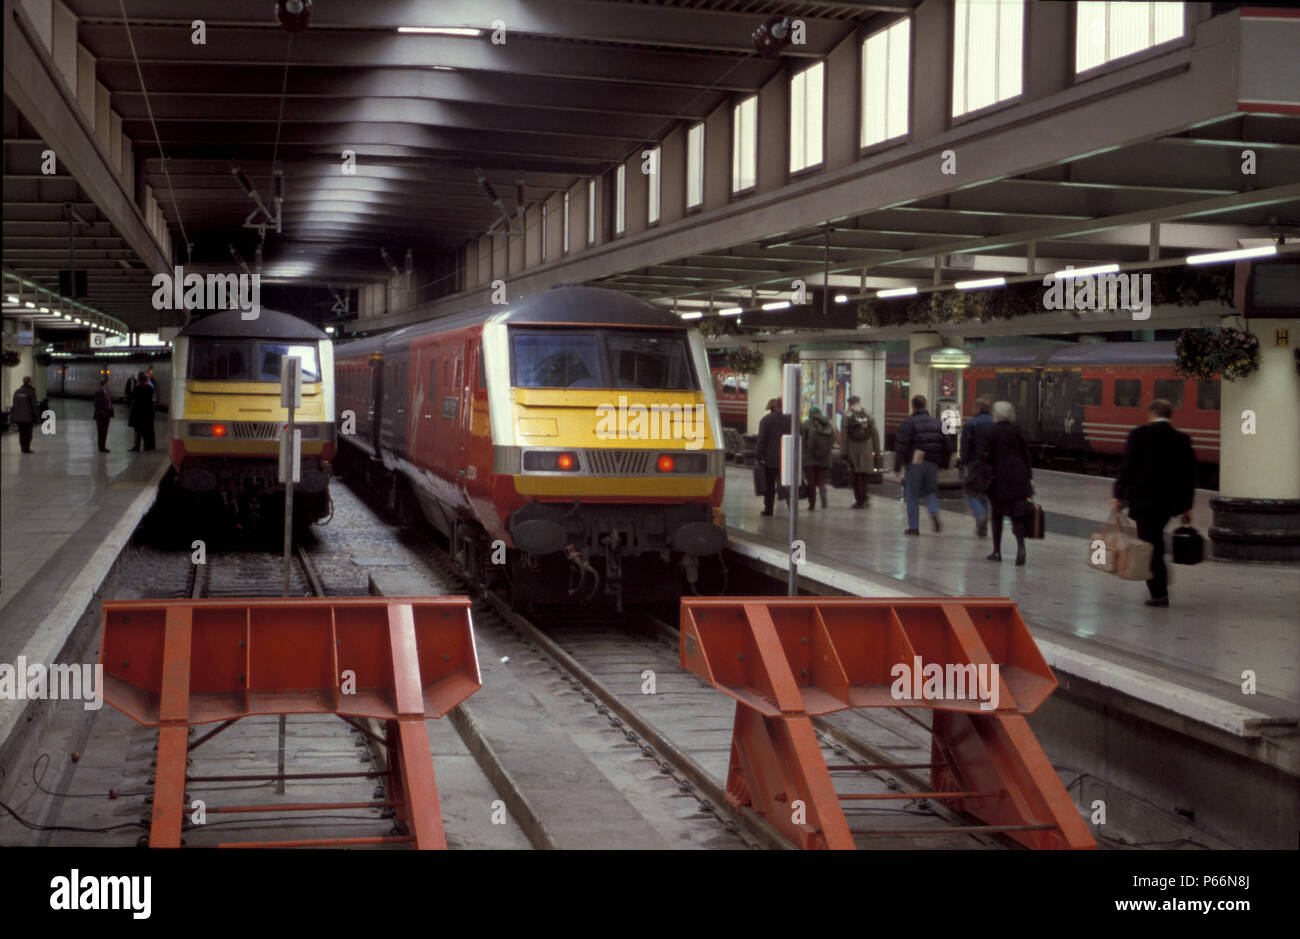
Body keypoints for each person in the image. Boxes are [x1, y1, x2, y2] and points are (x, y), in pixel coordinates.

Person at [1112, 399, 1196, 607]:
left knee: (1150, 545)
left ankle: (1159, 592)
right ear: (1169, 415)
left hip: (1142, 503)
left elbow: (1127, 468)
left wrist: (1118, 495)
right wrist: (1187, 506)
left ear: (1151, 414)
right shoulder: (1181, 439)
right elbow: (1188, 476)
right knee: (1154, 541)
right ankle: (1161, 583)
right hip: (1168, 505)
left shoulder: (1138, 435)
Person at [980, 401, 1033, 566]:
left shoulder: (991, 431)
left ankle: (997, 551)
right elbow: (1027, 456)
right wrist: (1029, 477)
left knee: (997, 515)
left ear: (995, 415)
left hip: (999, 480)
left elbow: (985, 456)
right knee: (1018, 516)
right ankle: (1021, 548)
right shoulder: (1019, 431)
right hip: (1019, 479)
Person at [892, 394, 951, 534]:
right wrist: (944, 464)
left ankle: (914, 527)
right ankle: (933, 511)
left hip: (915, 463)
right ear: (925, 406)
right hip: (932, 463)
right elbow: (948, 445)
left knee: (912, 494)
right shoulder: (938, 423)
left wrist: (897, 466)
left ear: (913, 406)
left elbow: (901, 446)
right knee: (930, 491)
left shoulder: (908, 423)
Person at [960, 398, 994, 537]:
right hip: (991, 464)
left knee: (970, 492)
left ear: (978, 408)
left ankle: (980, 516)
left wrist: (963, 461)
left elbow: (965, 445)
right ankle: (983, 528)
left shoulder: (971, 423)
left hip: (974, 462)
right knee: (984, 494)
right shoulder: (995, 423)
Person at [841, 395, 881, 509]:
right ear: (859, 402)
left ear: (849, 403)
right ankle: (865, 497)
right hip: (867, 448)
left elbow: (844, 436)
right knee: (864, 475)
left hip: (853, 449)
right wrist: (877, 451)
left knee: (855, 475)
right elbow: (875, 433)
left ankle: (859, 500)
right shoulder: (868, 414)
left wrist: (843, 453)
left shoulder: (847, 415)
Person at [755, 397, 790, 516]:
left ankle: (768, 509)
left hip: (770, 459)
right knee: (787, 483)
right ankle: (792, 508)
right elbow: (800, 437)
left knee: (769, 486)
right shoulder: (792, 420)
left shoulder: (766, 419)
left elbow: (761, 440)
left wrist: (758, 457)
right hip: (787, 458)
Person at [801, 405, 836, 511]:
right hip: (824, 458)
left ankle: (812, 504)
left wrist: (803, 454)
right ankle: (823, 491)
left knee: (811, 482)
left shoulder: (807, 424)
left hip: (810, 457)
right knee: (821, 479)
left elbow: (803, 441)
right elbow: (833, 440)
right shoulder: (827, 423)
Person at [127, 370, 156, 452]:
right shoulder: (150, 388)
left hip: (138, 413)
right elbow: (150, 400)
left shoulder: (137, 388)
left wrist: (137, 386)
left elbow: (133, 397)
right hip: (147, 413)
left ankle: (136, 446)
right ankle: (147, 446)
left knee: (138, 431)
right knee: (146, 430)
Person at [10, 375, 38, 453]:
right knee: (28, 433)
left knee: (22, 433)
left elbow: (14, 404)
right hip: (28, 417)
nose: (31, 382)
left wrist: (14, 416)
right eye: (31, 381)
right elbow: (34, 405)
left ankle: (23, 448)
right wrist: (38, 417)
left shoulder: (17, 391)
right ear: (28, 382)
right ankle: (27, 448)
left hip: (19, 417)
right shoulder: (31, 392)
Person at [93, 376, 114, 452]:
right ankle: (101, 447)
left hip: (107, 415)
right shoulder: (99, 392)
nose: (109, 384)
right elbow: (97, 405)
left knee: (105, 431)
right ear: (105, 384)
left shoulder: (106, 392)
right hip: (101, 416)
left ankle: (103, 446)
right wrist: (102, 413)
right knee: (101, 431)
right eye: (108, 383)